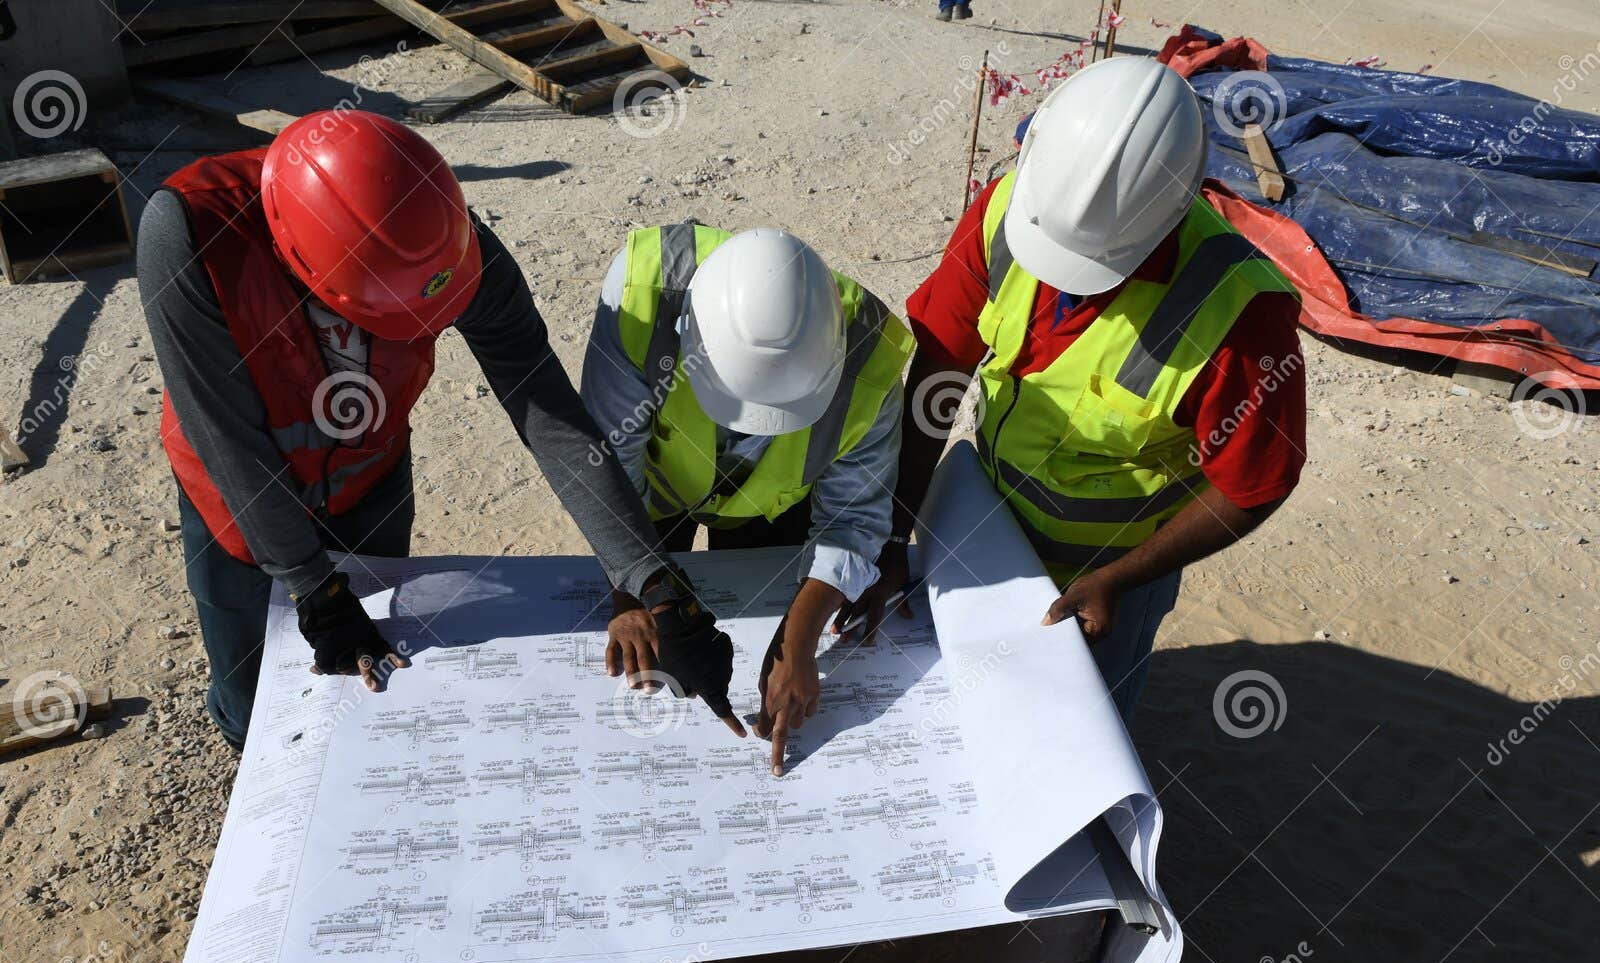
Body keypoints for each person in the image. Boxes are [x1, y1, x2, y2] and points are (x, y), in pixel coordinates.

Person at [140, 110, 736, 750]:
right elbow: (228, 437)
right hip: (234, 501)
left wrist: (651, 578)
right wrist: (314, 590)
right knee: (252, 682)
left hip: (369, 474)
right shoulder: (192, 230)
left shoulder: (447, 243)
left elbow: (547, 410)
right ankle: (250, 773)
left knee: (371, 682)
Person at [839, 57, 1307, 723]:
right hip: (982, 528)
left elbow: (1253, 482)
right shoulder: (1007, 209)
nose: (1061, 283)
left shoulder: (1238, 313)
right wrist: (894, 529)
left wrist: (1123, 577)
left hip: (1112, 570)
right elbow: (942, 368)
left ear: (1170, 216)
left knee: (1077, 729)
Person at [581, 225, 915, 772]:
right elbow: (605, 464)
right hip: (653, 501)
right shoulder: (641, 297)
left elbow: (854, 516)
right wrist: (634, 592)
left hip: (771, 506)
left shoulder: (868, 362)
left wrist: (799, 640)